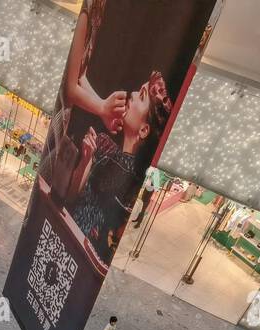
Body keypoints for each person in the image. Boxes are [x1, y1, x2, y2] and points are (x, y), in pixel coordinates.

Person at [68, 70, 174, 267]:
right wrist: (85, 160)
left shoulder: (123, 171)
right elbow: (73, 194)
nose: (132, 94)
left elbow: (74, 198)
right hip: (69, 233)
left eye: (141, 96)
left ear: (143, 130)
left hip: (80, 253)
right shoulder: (109, 150)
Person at [37, 0, 125, 201]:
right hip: (61, 113)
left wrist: (102, 109)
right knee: (45, 179)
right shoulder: (88, 11)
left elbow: (80, 75)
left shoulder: (98, 13)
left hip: (66, 116)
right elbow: (70, 88)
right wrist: (102, 107)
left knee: (50, 183)